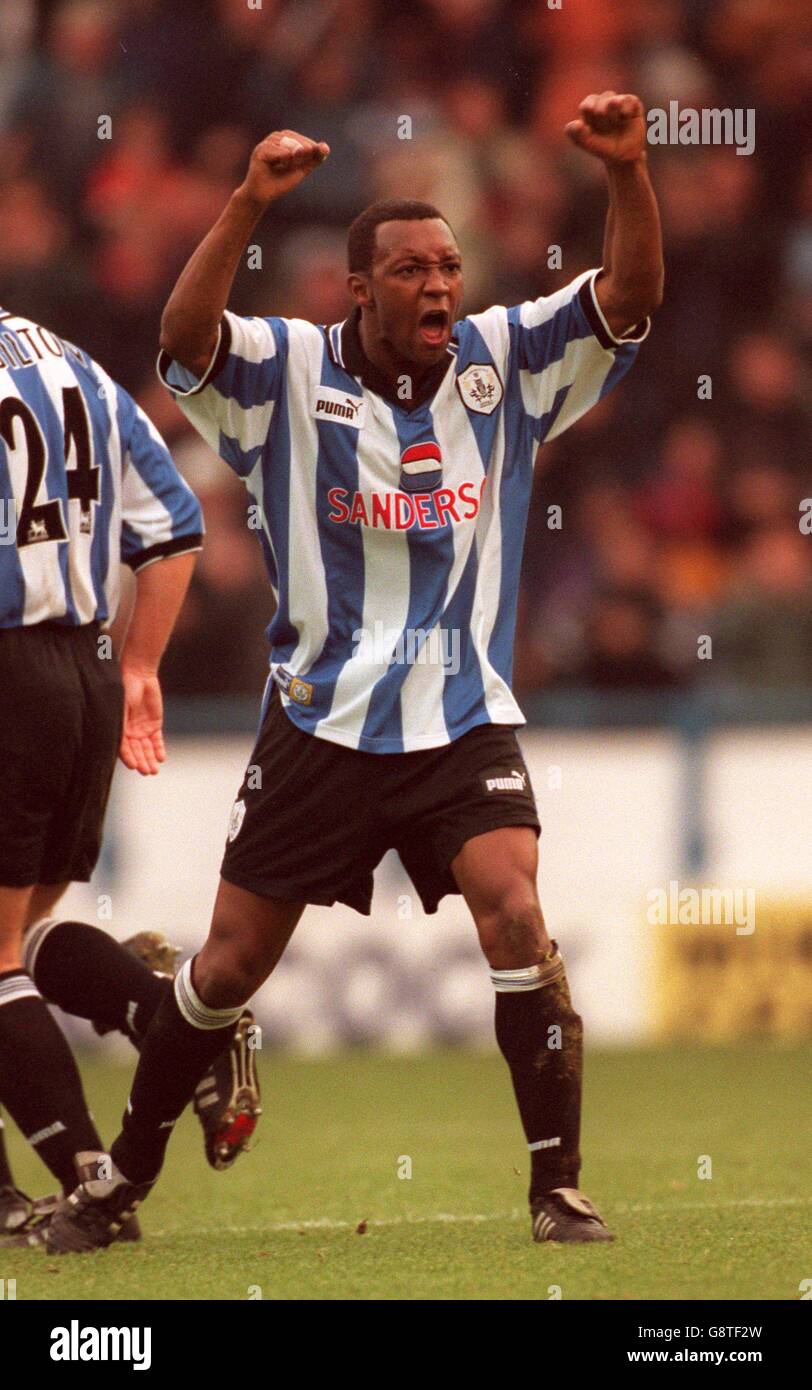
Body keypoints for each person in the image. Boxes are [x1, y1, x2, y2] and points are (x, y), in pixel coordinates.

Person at [48, 91, 663, 1252]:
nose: (441, 286)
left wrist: (625, 173)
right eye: (414, 270)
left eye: (449, 266)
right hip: (321, 720)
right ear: (358, 288)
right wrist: (243, 205)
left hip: (461, 720)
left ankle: (556, 1187)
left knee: (515, 911)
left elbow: (627, 303)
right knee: (226, 967)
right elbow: (182, 343)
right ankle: (119, 1182)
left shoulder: (504, 360)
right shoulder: (284, 371)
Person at [0, 308, 260, 1246]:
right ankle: (161, 1015)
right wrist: (140, 667)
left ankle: (90, 1184)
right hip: (84, 669)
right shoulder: (68, 359)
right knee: (22, 936)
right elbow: (175, 523)